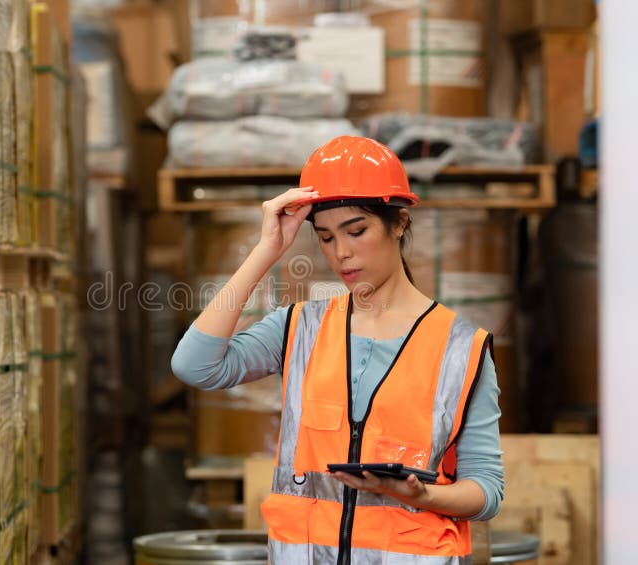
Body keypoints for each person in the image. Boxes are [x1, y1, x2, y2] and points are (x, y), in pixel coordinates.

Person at [171, 136, 504, 564]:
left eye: (357, 230)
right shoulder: (300, 328)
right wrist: (265, 251)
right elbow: (194, 365)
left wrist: (422, 495)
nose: (341, 253)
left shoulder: (463, 348)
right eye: (326, 237)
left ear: (399, 223)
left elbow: (487, 492)